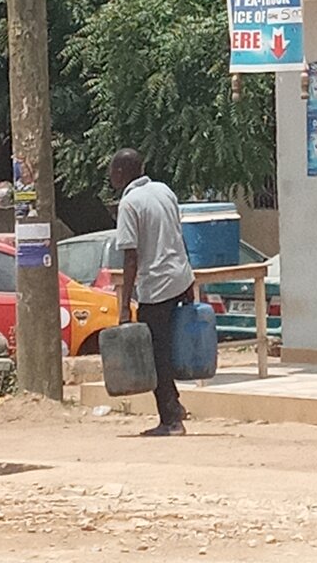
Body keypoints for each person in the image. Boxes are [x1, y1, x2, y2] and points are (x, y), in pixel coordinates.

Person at [111, 148, 194, 436]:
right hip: (180, 279)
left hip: (156, 287)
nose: (111, 177)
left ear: (121, 173)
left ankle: (171, 421)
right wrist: (190, 279)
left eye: (112, 171)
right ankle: (176, 405)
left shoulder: (129, 204)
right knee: (167, 348)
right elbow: (178, 236)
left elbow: (131, 257)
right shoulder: (164, 190)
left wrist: (124, 306)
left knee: (156, 354)